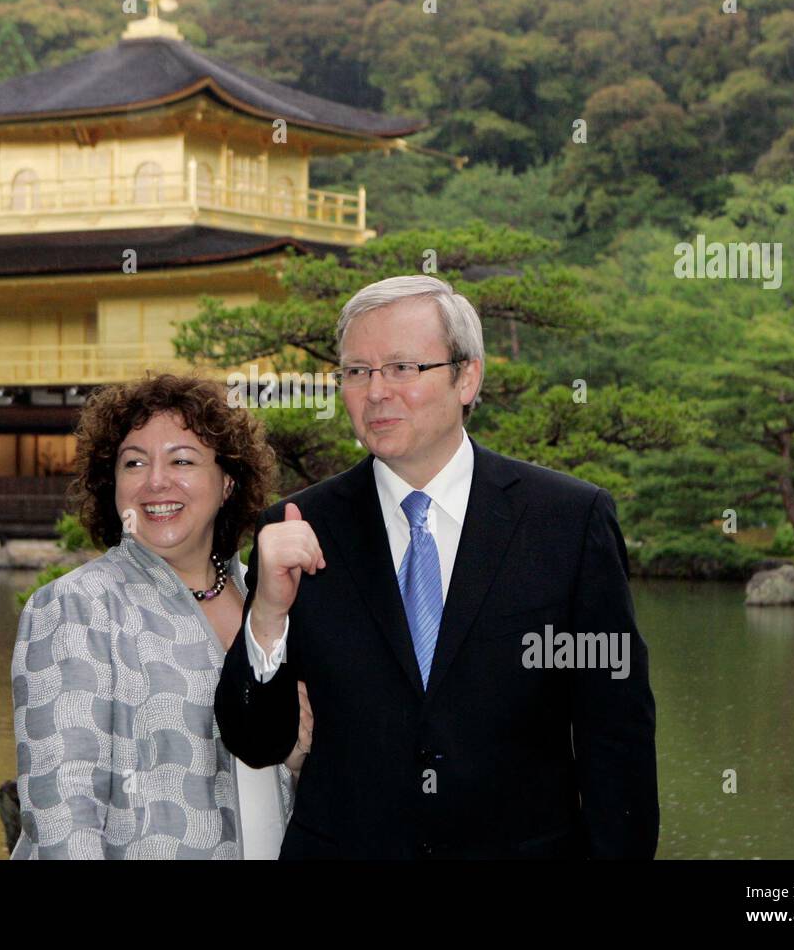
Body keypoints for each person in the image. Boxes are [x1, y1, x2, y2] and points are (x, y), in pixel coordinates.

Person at [215, 275, 659, 859]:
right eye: (356, 372)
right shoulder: (297, 527)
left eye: (402, 368)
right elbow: (255, 740)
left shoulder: (567, 522)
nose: (375, 393)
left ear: (467, 375)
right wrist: (268, 615)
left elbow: (616, 740)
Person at [10, 374, 312, 859]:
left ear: (228, 480)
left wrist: (297, 762)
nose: (155, 481)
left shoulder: (272, 596)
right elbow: (63, 814)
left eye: (182, 460)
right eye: (134, 462)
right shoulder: (78, 606)